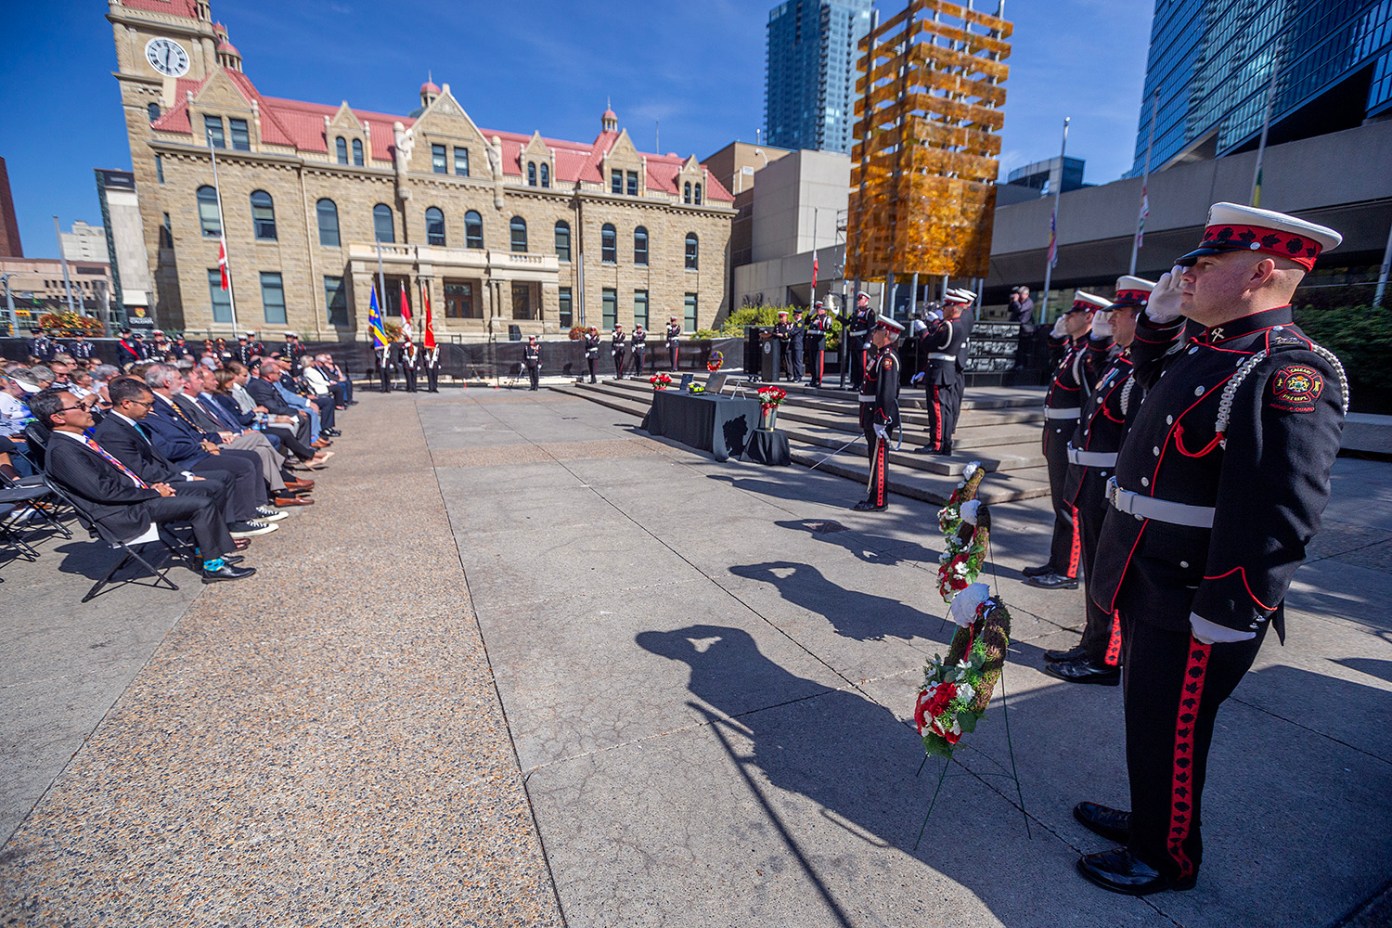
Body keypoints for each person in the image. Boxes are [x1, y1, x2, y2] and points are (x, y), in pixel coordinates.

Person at [1075, 204, 1346, 896]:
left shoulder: (1288, 372)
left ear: (1261, 271)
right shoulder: (1212, 350)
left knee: (1175, 726)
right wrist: (1162, 320)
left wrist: (1233, 607)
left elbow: (1281, 511)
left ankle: (1167, 857)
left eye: (1203, 264)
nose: (1185, 274)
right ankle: (1150, 820)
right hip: (1148, 569)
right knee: (1148, 716)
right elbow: (1143, 377)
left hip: (1199, 589)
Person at [1043, 276, 1154, 686]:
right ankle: (1094, 643)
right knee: (1096, 570)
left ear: (1139, 318)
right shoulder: (1123, 363)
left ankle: (1106, 657)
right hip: (1092, 477)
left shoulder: (1138, 371)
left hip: (1109, 482)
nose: (1110, 320)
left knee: (1109, 574)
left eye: (1118, 314)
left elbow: (1134, 441)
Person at [33, 388, 255, 581]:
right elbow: (103, 491)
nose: (88, 408)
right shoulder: (63, 451)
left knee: (210, 487)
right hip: (119, 512)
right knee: (201, 503)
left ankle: (204, 551)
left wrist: (152, 488)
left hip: (132, 497)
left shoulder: (77, 440)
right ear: (58, 417)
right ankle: (213, 567)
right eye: (80, 405)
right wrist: (152, 493)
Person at [1025, 291, 1111, 590]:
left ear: (1090, 317)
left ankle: (1067, 570)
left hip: (1069, 433)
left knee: (1068, 506)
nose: (1066, 317)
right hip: (1055, 433)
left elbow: (1090, 402)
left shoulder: (1088, 355)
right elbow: (1053, 353)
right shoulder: (1075, 351)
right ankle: (1056, 560)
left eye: (1073, 313)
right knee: (1058, 502)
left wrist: (1079, 441)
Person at [912, 288, 976, 455]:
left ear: (954, 308)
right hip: (944, 370)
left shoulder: (948, 326)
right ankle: (944, 442)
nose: (943, 309)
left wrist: (923, 331)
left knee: (937, 410)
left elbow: (930, 344)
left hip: (939, 371)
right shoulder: (954, 325)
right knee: (944, 408)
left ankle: (937, 443)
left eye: (946, 306)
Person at [854, 316, 904, 512]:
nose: (873, 334)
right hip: (871, 414)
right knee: (874, 458)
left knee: (879, 458)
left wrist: (881, 419)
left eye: (877, 331)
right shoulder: (880, 355)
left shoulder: (888, 359)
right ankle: (873, 495)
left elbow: (887, 392)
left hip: (879, 416)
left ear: (887, 335)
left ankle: (879, 501)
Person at [847, 291, 876, 390]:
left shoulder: (869, 312)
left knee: (861, 365)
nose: (858, 301)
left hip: (862, 341)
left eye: (860, 299)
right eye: (858, 300)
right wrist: (837, 315)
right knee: (854, 364)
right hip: (854, 341)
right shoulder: (856, 312)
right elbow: (847, 322)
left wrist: (868, 341)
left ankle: (863, 384)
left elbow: (871, 328)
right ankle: (856, 384)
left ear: (866, 300)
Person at [805, 302, 832, 388]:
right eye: (817, 309)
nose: (818, 310)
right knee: (812, 363)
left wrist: (823, 319)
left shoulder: (826, 318)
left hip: (819, 343)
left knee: (818, 363)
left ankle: (818, 380)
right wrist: (810, 314)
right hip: (812, 343)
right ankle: (813, 379)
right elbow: (806, 322)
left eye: (820, 308)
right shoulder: (814, 318)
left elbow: (828, 328)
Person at [789, 309, 806, 382]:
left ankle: (798, 376)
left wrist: (787, 334)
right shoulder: (795, 323)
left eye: (795, 315)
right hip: (794, 344)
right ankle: (795, 375)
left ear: (798, 315)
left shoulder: (800, 323)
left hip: (797, 344)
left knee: (797, 361)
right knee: (794, 360)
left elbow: (794, 331)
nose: (794, 316)